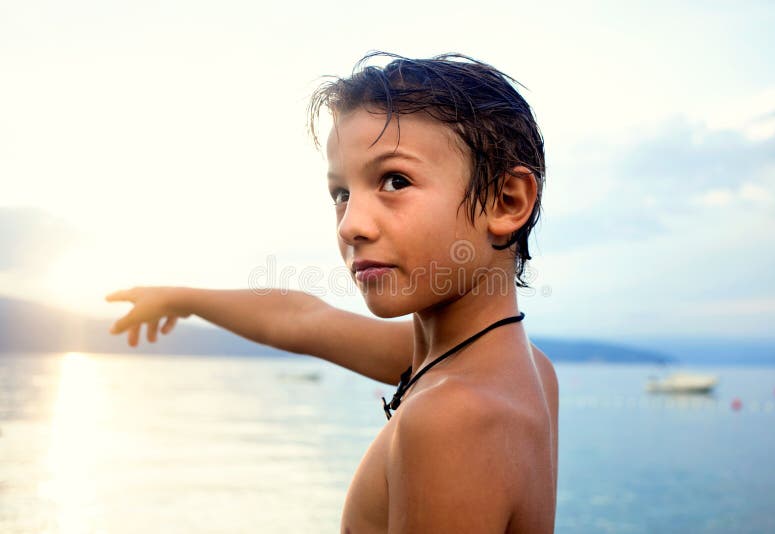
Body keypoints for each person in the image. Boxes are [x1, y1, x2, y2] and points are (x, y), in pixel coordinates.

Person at [106, 53, 558, 533]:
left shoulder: (451, 417)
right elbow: (303, 320)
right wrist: (182, 298)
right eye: (341, 194)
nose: (350, 225)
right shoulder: (515, 369)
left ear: (507, 201)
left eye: (395, 181)